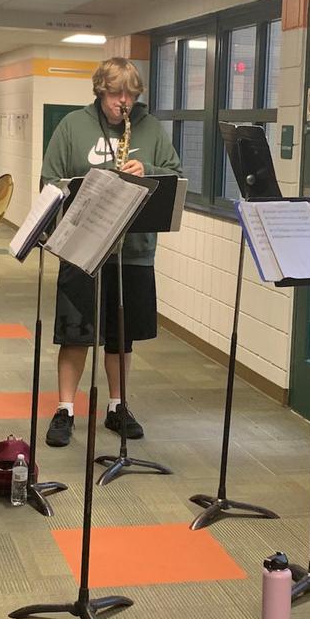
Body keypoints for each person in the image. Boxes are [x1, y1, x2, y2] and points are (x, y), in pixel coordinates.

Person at [39, 57, 182, 447]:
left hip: (132, 251)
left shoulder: (150, 127)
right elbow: (49, 180)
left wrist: (146, 166)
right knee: (75, 334)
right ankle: (65, 408)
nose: (124, 102)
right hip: (82, 248)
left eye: (131, 95)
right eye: (116, 94)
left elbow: (173, 173)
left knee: (122, 337)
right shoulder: (72, 125)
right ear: (100, 91)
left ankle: (117, 405)